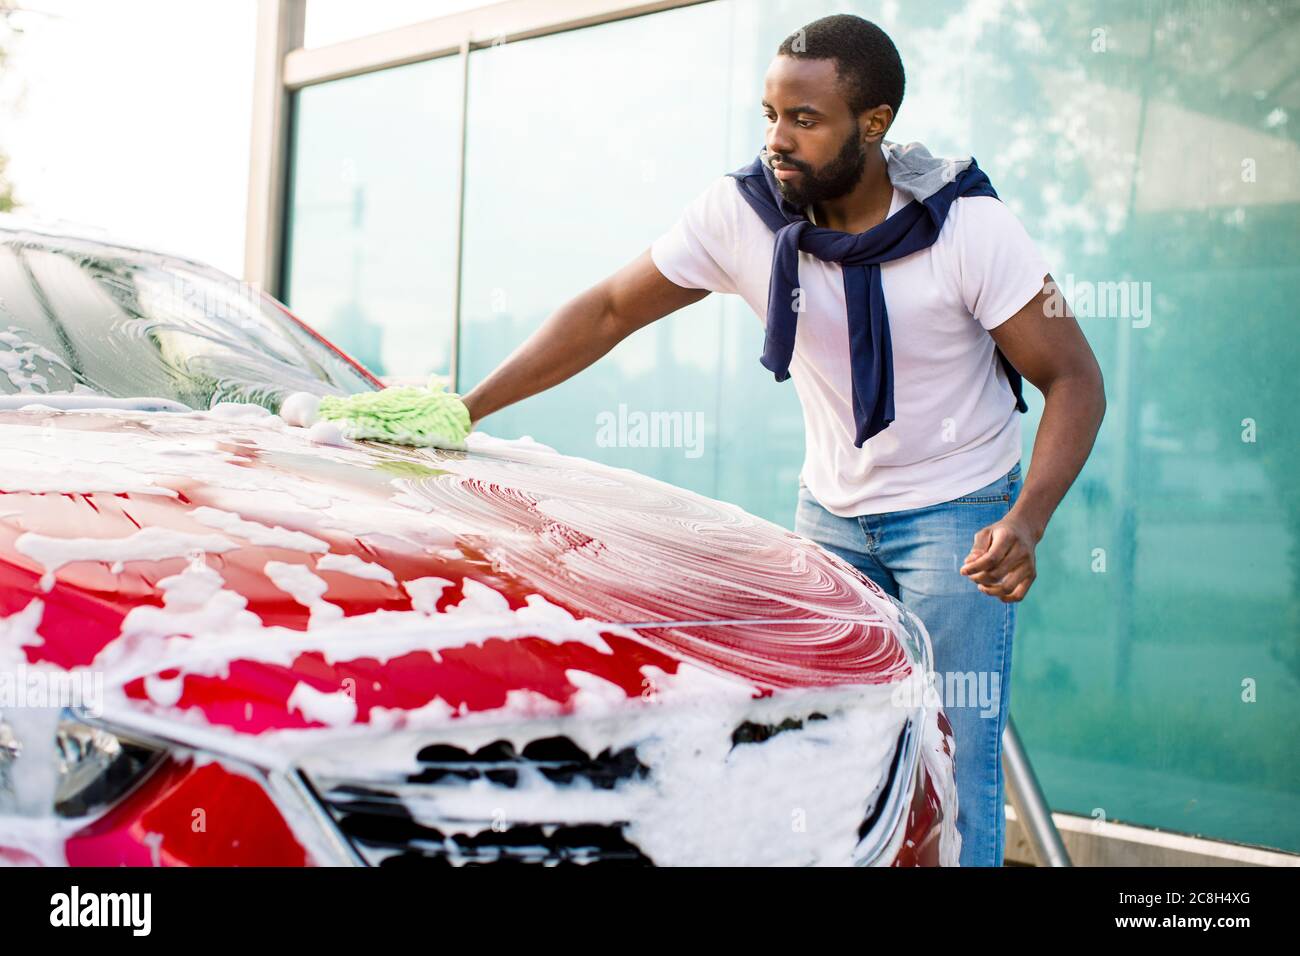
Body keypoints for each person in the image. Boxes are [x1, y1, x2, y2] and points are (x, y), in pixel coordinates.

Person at [461, 13, 1105, 866]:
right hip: (832, 515)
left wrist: (1026, 520)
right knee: (824, 754)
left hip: (959, 516)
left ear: (873, 125)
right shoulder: (744, 215)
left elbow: (1075, 378)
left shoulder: (967, 227)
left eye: (805, 120)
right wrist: (466, 410)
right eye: (769, 114)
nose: (778, 139)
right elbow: (610, 309)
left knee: (950, 762)